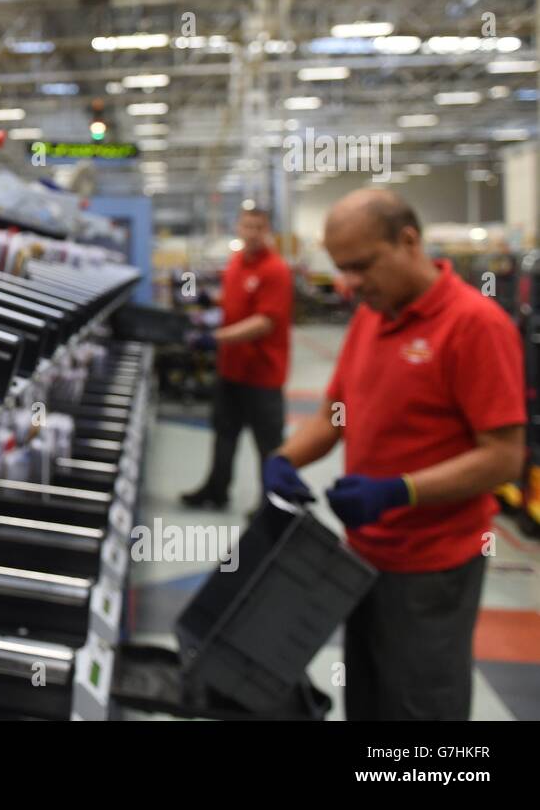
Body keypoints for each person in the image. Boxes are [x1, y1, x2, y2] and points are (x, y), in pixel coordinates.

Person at [264, 188, 524, 721]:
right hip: (362, 555)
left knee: (420, 709)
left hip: (432, 565)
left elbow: (503, 457)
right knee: (371, 697)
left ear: (409, 241)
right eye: (341, 269)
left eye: (361, 266)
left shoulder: (475, 325)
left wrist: (400, 490)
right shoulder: (372, 315)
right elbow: (334, 414)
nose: (350, 284)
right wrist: (285, 458)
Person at [181, 207, 294, 509]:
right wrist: (209, 301)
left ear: (267, 230)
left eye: (259, 227)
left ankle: (269, 506)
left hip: (262, 375)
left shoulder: (275, 270)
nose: (252, 232)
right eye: (247, 226)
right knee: (224, 434)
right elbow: (234, 304)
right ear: (238, 227)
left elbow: (264, 323)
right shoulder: (235, 263)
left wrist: (214, 338)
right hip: (231, 370)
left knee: (268, 445)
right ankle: (216, 490)